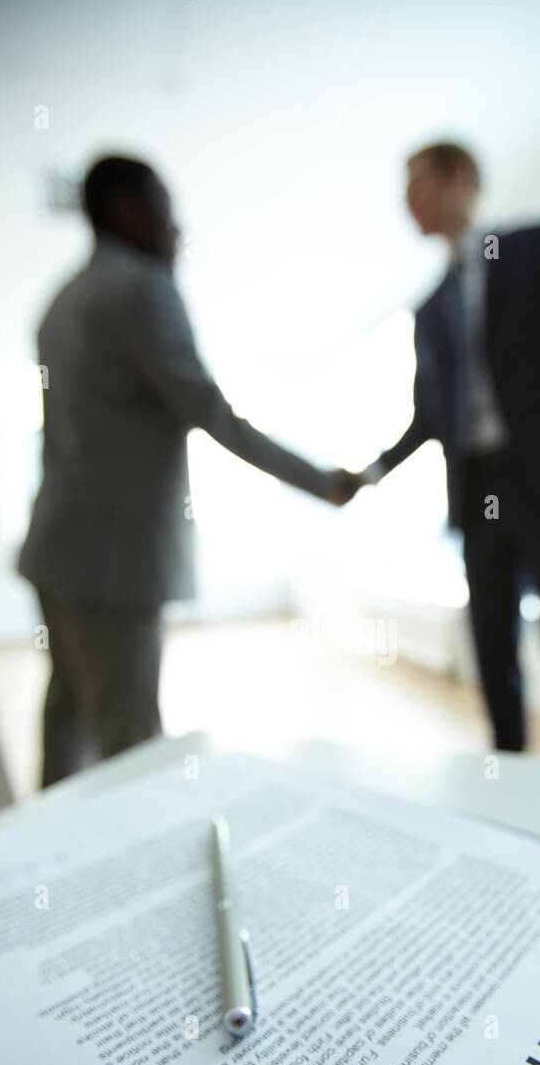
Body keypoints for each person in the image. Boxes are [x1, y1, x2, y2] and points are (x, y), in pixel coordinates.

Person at [18, 155, 359, 785]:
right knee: (131, 739)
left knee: (68, 706)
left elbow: (55, 437)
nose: (175, 226)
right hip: (113, 560)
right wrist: (322, 481)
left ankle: (52, 867)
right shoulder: (142, 289)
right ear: (125, 208)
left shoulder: (59, 303)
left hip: (54, 547)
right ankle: (120, 880)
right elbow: (213, 414)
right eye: (163, 206)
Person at [354, 142, 540, 750]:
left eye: (416, 185)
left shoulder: (537, 248)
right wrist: (370, 472)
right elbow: (429, 417)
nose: (408, 204)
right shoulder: (429, 310)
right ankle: (507, 776)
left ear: (458, 178)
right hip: (479, 493)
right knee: (490, 649)